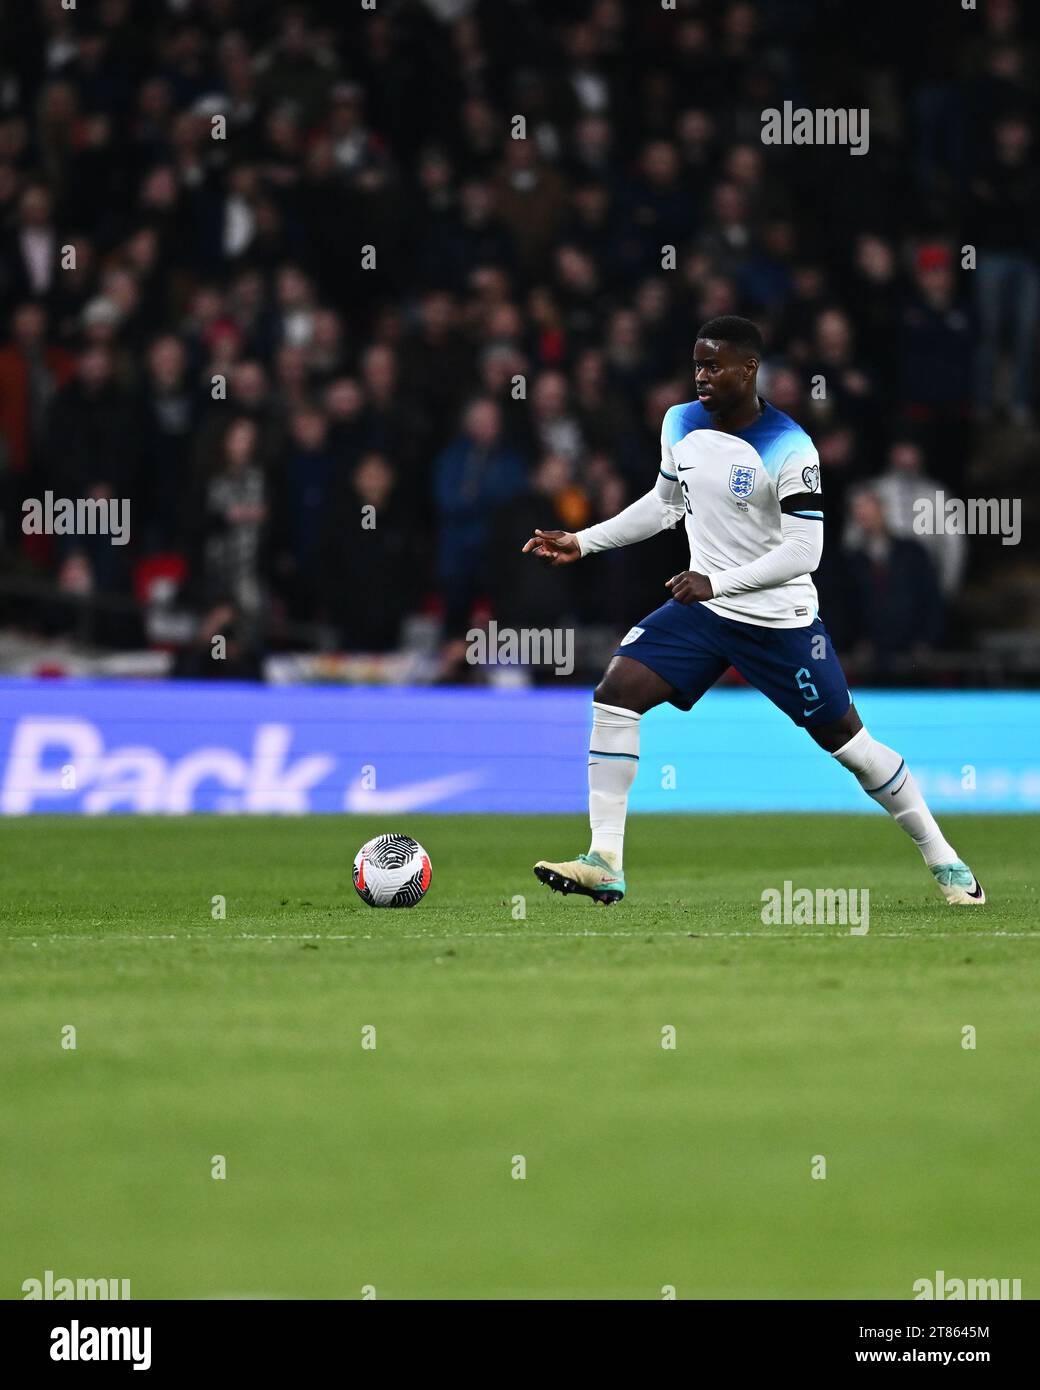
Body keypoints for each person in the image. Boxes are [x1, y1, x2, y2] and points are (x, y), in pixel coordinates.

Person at [523, 316, 984, 908]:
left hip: (778, 622)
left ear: (749, 369)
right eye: (696, 365)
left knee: (850, 747)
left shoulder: (791, 446)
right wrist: (583, 541)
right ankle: (605, 860)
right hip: (705, 612)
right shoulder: (680, 423)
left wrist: (717, 582)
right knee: (616, 692)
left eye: (714, 366)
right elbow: (664, 506)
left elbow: (806, 550)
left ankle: (945, 861)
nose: (702, 377)